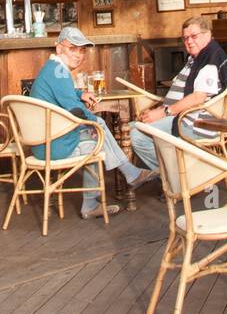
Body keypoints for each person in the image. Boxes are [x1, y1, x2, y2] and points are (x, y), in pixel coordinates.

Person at [30, 26, 155, 218]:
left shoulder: (53, 69)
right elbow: (76, 111)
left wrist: (81, 94)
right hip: (51, 147)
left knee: (97, 131)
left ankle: (129, 175)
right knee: (97, 137)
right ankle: (110, 189)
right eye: (72, 48)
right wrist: (93, 124)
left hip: (43, 142)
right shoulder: (60, 73)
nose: (78, 55)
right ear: (58, 48)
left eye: (82, 50)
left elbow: (65, 95)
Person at [129, 16, 227, 172]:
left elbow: (198, 98)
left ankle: (177, 176)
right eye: (185, 38)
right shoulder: (197, 57)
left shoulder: (210, 59)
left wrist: (164, 112)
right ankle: (170, 175)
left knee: (135, 134)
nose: (189, 41)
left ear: (207, 34)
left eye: (194, 36)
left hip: (194, 123)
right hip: (180, 116)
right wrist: (159, 110)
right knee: (129, 128)